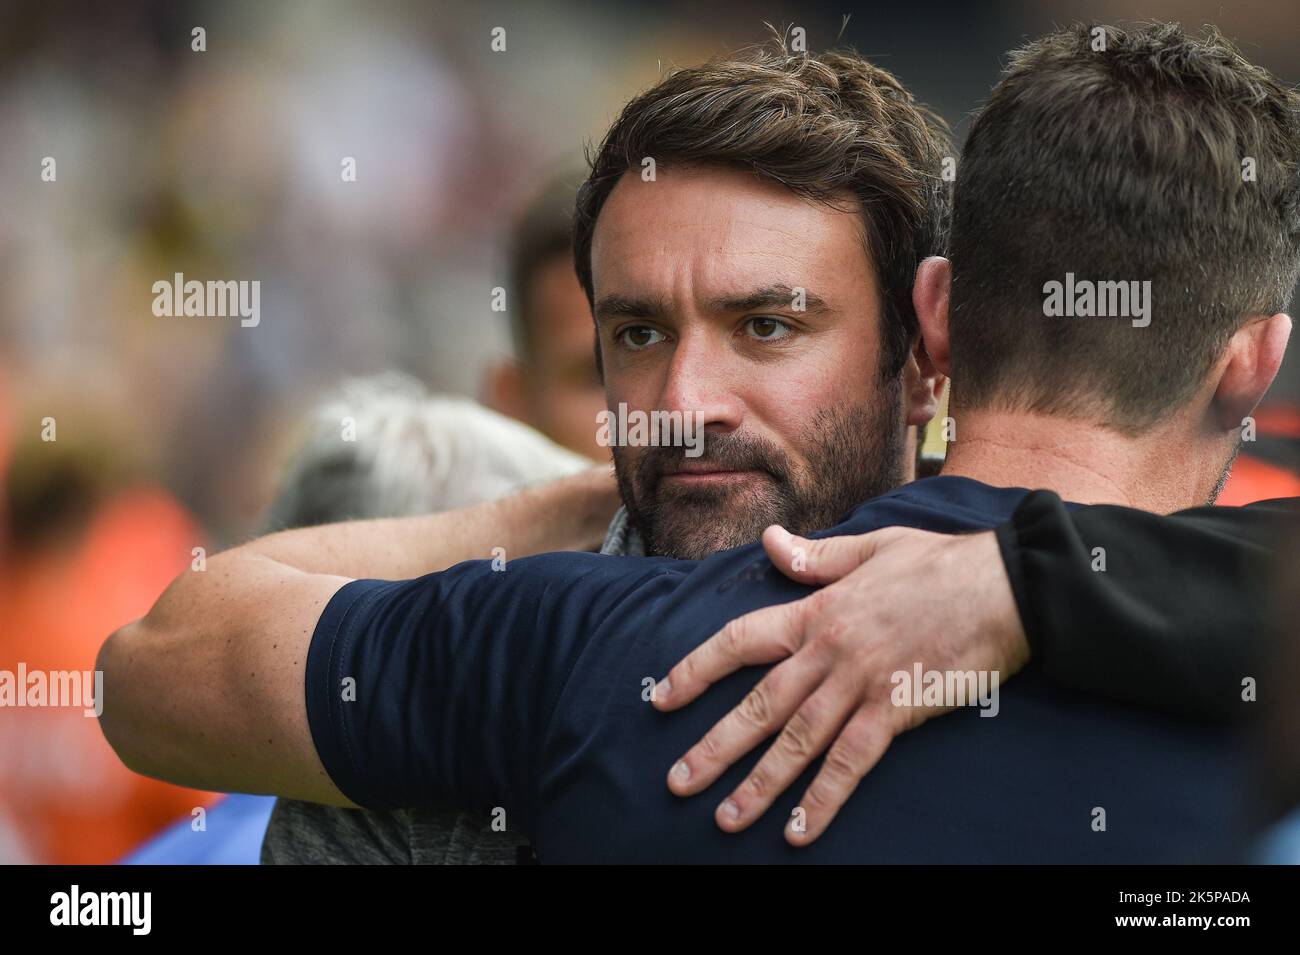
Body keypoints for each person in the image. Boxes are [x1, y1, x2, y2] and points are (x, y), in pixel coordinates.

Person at [100, 23, 1300, 861]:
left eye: (768, 326)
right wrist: (551, 505)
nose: (683, 399)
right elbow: (152, 668)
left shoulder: (1224, 655)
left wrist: (1021, 582)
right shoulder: (528, 645)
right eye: (631, 334)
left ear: (928, 341)